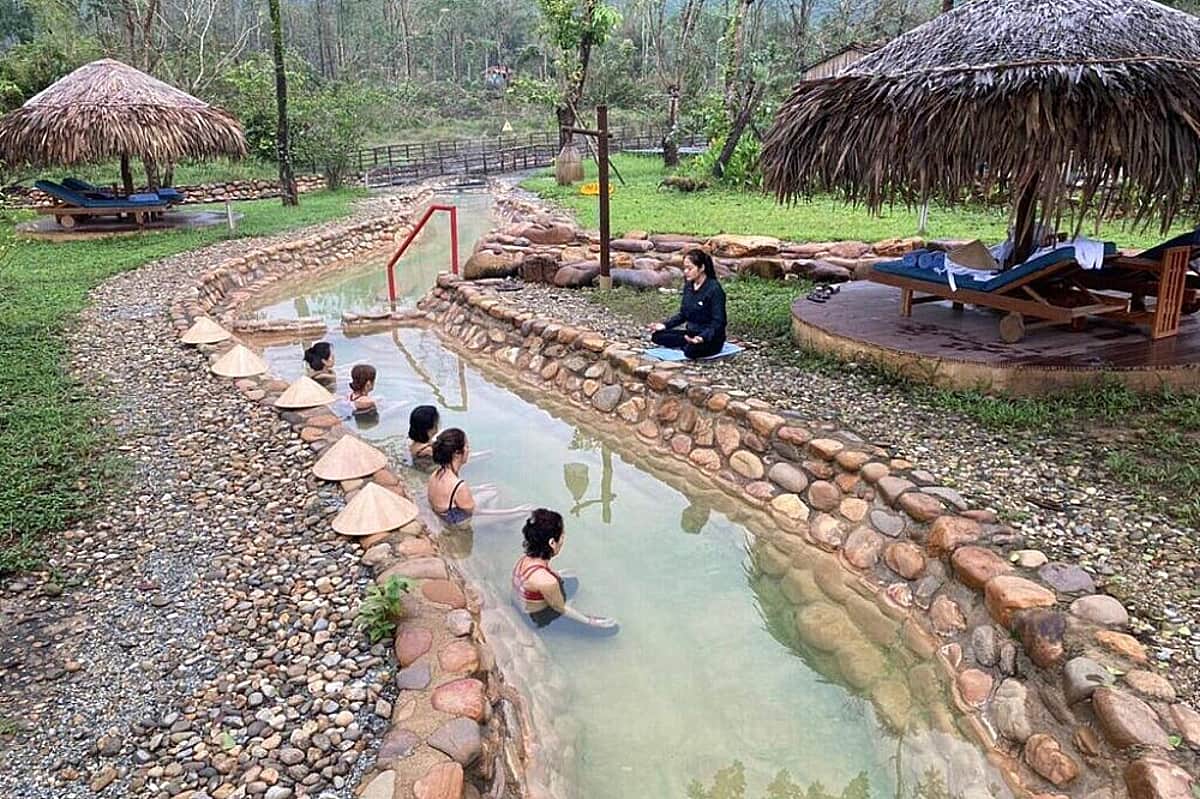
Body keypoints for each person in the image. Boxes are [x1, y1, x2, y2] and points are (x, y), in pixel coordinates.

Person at [512, 509, 616, 630]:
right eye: (562, 536)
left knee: (572, 581)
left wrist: (556, 574)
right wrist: (590, 621)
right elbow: (560, 608)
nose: (563, 539)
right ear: (552, 542)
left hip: (520, 605)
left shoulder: (525, 559)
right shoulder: (548, 581)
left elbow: (531, 581)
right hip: (534, 618)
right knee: (612, 629)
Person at [427, 428, 527, 524]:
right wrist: (514, 511)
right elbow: (475, 512)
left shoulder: (436, 473)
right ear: (457, 453)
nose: (469, 450)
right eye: (467, 447)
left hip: (443, 512)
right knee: (496, 496)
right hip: (455, 520)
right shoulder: (459, 485)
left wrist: (480, 488)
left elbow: (449, 493)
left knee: (490, 490)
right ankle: (498, 526)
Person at [650, 248, 727, 359]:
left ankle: (689, 345)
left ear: (702, 268)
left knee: (691, 351)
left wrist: (702, 337)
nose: (686, 272)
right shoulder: (689, 286)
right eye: (684, 268)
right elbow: (683, 314)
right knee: (657, 336)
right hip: (692, 332)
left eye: (690, 268)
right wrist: (664, 325)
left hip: (710, 337)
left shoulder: (714, 289)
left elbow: (719, 322)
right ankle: (687, 343)